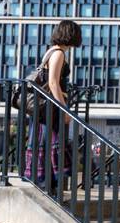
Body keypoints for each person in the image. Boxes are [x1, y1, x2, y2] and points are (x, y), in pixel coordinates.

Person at [25, 19, 81, 186]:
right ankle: (46, 183)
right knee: (51, 141)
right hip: (51, 106)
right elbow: (53, 82)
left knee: (45, 141)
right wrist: (64, 109)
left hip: (46, 106)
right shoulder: (58, 53)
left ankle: (43, 180)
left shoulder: (52, 51)